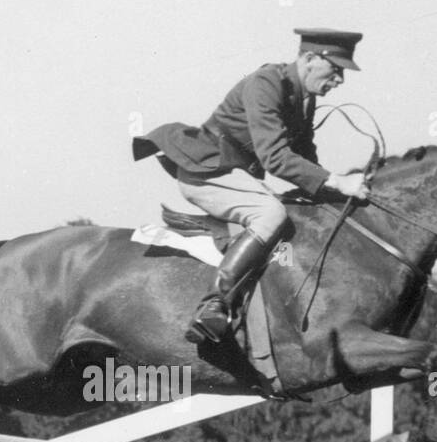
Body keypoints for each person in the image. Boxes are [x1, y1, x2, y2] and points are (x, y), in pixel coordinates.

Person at [133, 28, 370, 345]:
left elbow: (304, 157)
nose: (340, 80)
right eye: (336, 69)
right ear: (310, 59)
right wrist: (339, 181)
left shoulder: (304, 99)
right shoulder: (266, 84)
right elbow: (276, 159)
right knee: (271, 214)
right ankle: (213, 304)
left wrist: (332, 190)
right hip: (207, 172)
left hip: (234, 175)